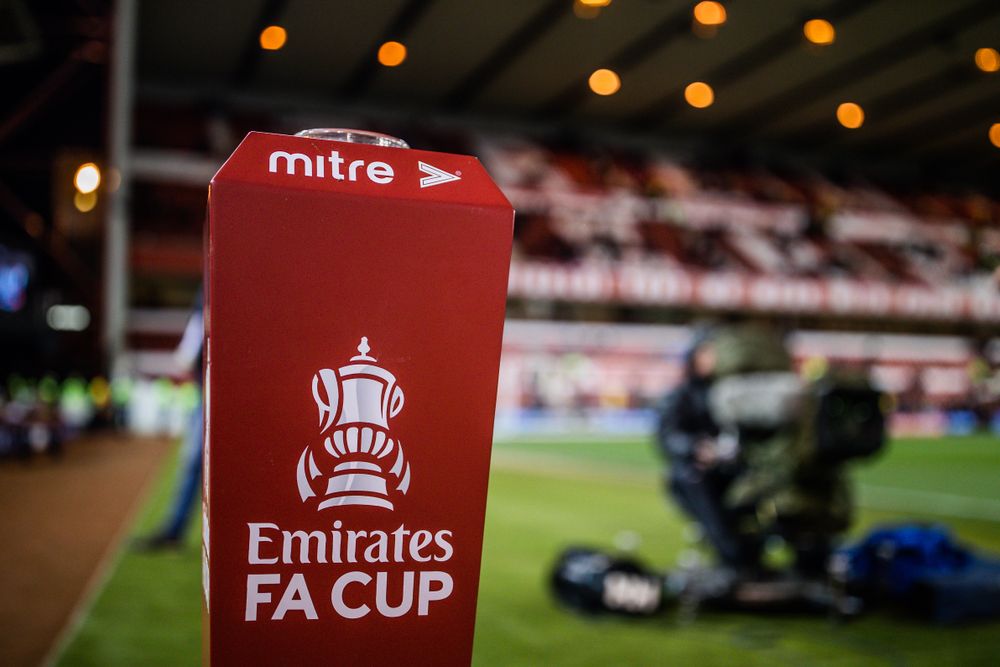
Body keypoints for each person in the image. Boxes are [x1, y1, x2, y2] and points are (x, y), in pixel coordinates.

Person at [655, 328, 760, 573]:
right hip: (697, 473)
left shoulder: (736, 392)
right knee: (693, 478)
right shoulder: (681, 397)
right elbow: (668, 437)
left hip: (734, 468)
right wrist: (696, 448)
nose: (713, 358)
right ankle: (731, 554)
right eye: (707, 352)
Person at [134, 290, 203, 550]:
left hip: (214, 386)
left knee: (193, 460)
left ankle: (175, 530)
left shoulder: (211, 281)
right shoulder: (210, 282)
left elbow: (198, 327)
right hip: (208, 384)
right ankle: (174, 529)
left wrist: (185, 357)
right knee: (193, 460)